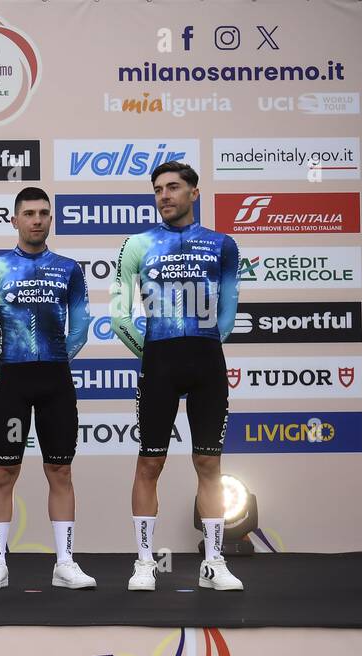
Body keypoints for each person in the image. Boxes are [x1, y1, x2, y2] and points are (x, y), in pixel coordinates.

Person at [111, 160, 243, 591]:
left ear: (194, 193)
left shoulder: (222, 245)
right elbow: (119, 315)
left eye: (173, 187)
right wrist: (151, 351)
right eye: (158, 189)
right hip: (160, 362)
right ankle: (145, 562)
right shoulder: (138, 244)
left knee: (209, 463)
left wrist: (206, 343)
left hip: (206, 361)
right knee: (150, 462)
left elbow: (227, 312)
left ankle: (214, 560)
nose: (164, 196)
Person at [0, 187, 96, 590]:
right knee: (3, 472)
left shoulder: (70, 269)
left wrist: (57, 358)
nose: (37, 219)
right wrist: (5, 366)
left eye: (43, 213)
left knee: (60, 470)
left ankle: (65, 563)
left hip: (56, 381)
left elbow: (80, 327)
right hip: (13, 384)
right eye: (29, 213)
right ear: (15, 220)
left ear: (50, 219)